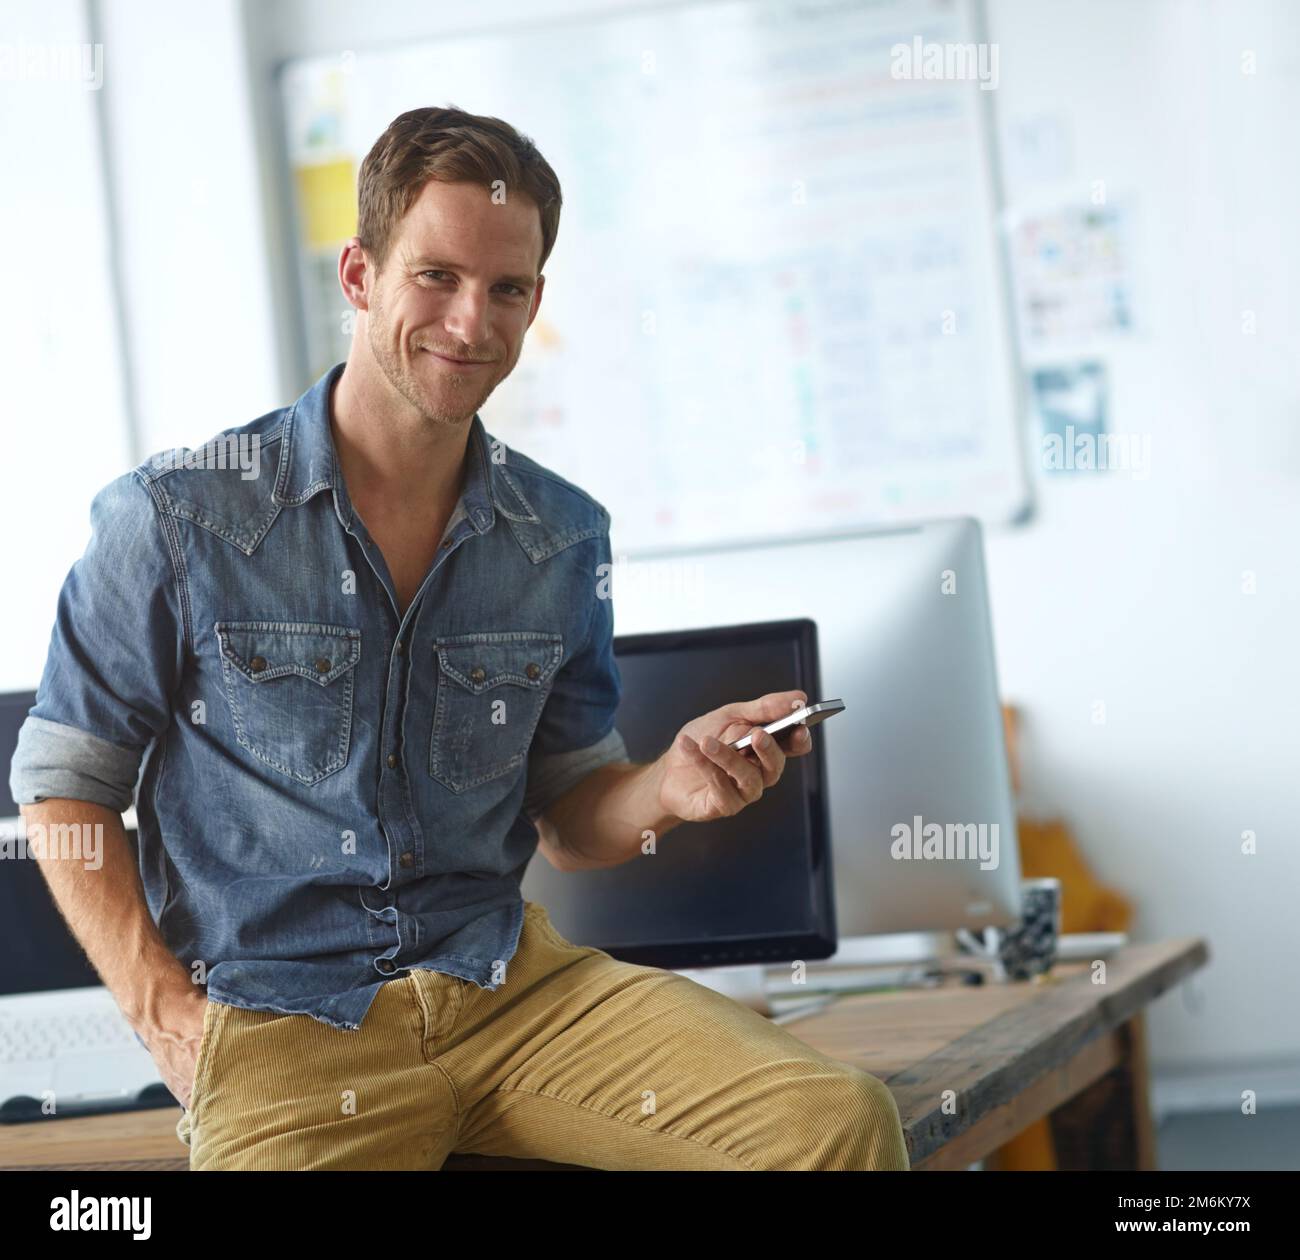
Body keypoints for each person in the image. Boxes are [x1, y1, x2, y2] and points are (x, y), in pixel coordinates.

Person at [10, 106, 907, 1171]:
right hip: (283, 1029)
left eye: (507, 289)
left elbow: (571, 817)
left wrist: (672, 785)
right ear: (359, 275)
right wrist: (163, 1009)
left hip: (508, 993)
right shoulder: (176, 516)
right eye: (435, 276)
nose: (471, 322)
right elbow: (64, 784)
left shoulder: (561, 538)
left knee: (834, 1123)